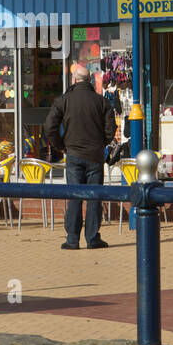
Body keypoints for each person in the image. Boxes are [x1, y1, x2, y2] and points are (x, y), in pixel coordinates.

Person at [45, 63, 117, 250]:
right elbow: (111, 129)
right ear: (90, 81)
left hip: (74, 154)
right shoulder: (101, 101)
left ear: (74, 80)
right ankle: (92, 238)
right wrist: (101, 144)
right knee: (94, 198)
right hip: (94, 156)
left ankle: (72, 239)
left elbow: (49, 127)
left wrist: (61, 146)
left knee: (74, 196)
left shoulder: (63, 100)